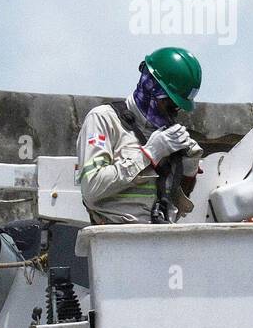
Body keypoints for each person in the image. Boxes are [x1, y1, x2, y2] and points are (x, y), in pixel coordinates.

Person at [76, 47, 203, 224]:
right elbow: (91, 187)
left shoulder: (167, 137)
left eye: (178, 107)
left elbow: (175, 206)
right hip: (115, 234)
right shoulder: (104, 119)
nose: (173, 112)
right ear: (151, 87)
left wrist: (189, 168)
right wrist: (149, 154)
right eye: (169, 103)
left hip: (162, 234)